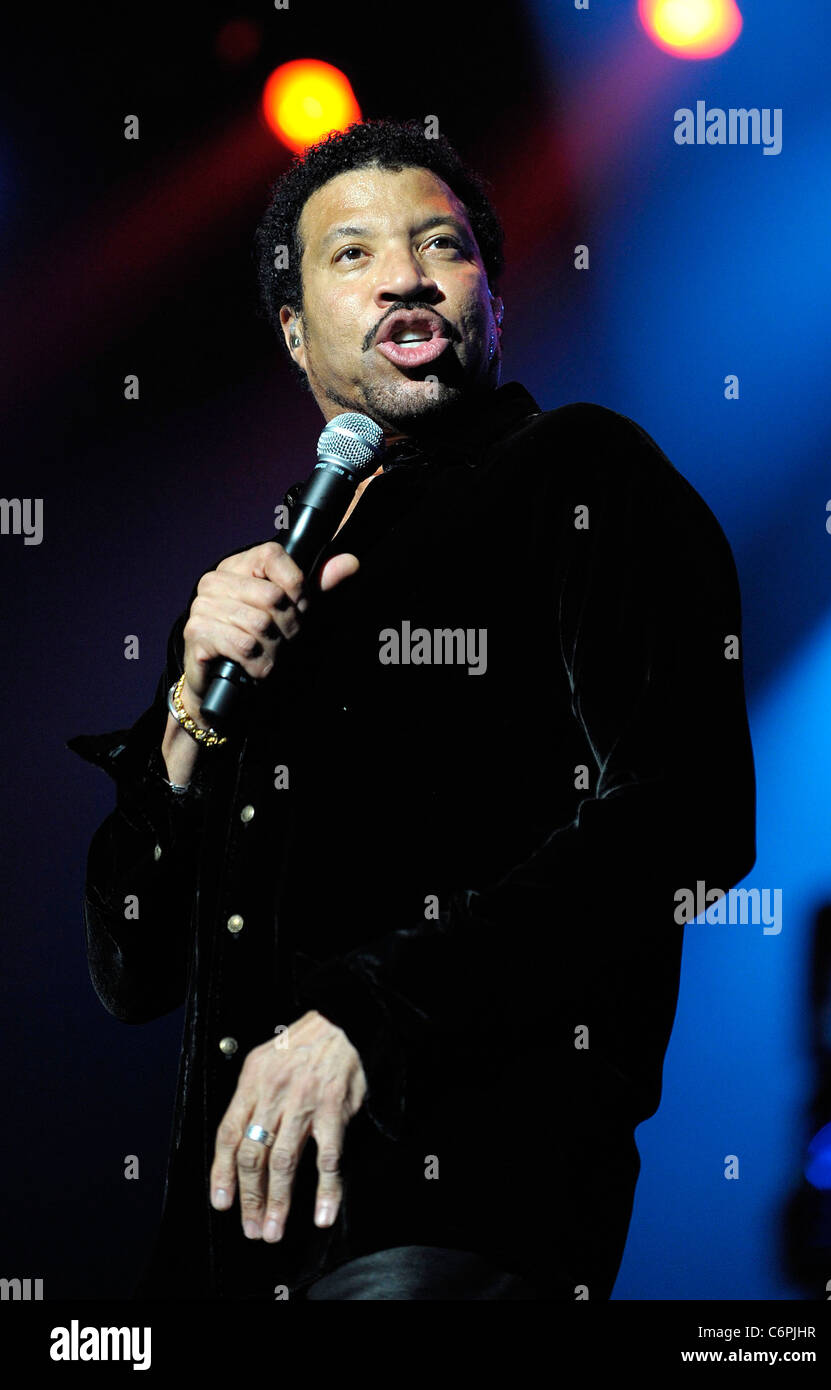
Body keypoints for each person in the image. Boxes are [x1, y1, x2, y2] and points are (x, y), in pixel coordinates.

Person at [68, 118, 756, 1301]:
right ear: (293, 335)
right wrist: (186, 713)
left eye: (440, 245)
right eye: (351, 254)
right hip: (226, 1252)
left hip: (453, 1222)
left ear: (491, 302)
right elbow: (132, 965)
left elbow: (687, 817)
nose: (403, 274)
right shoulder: (269, 586)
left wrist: (368, 1017)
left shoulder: (577, 476)